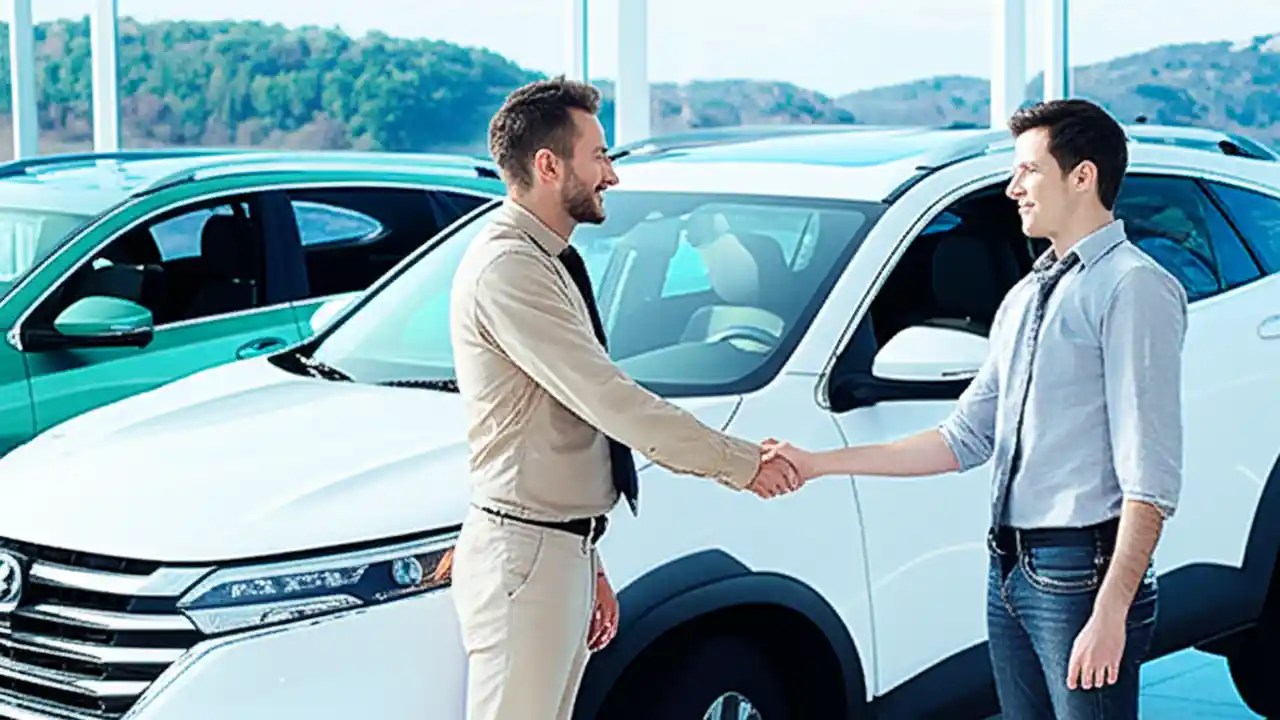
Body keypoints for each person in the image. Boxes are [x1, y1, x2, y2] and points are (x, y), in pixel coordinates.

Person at [766, 98, 1187, 719]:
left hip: (1080, 573)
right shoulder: (1025, 296)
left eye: (1028, 170)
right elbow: (964, 437)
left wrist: (1110, 611)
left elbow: (1150, 475)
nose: (1013, 188)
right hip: (1011, 568)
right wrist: (819, 461)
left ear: (1083, 176)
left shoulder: (1132, 287)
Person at [447, 76, 802, 720]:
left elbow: (560, 422)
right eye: (599, 156)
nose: (612, 174)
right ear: (549, 166)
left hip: (555, 551)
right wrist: (741, 463)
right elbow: (607, 399)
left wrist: (588, 560)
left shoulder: (544, 258)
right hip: (527, 559)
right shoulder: (511, 268)